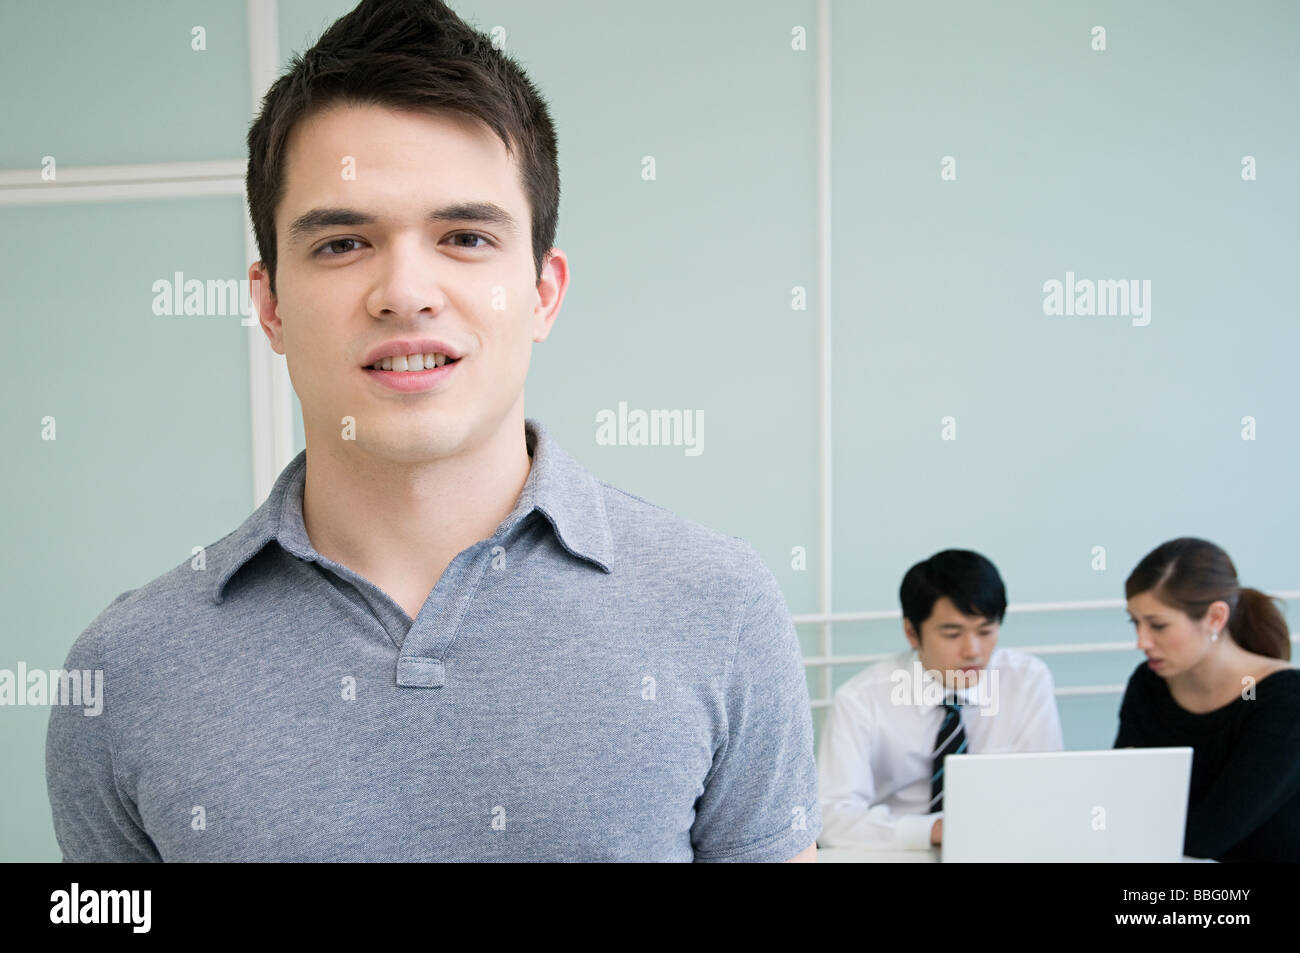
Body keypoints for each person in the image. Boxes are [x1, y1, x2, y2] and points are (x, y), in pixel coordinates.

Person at [44, 0, 819, 862]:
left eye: (465, 236)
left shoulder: (720, 607)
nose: (405, 293)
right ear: (269, 305)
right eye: (343, 243)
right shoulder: (123, 673)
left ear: (543, 293)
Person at [818, 549, 1063, 850]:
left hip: (1000, 846)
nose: (973, 651)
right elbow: (832, 819)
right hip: (897, 851)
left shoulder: (1026, 681)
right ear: (911, 632)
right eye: (952, 634)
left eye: (986, 631)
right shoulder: (861, 700)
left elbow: (1045, 793)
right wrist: (936, 831)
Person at [1114, 537, 1299, 861]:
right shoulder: (1149, 683)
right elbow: (1120, 792)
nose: (1142, 642)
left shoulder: (1286, 700)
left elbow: (1206, 837)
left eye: (1158, 625)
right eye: (1136, 623)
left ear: (1215, 617)